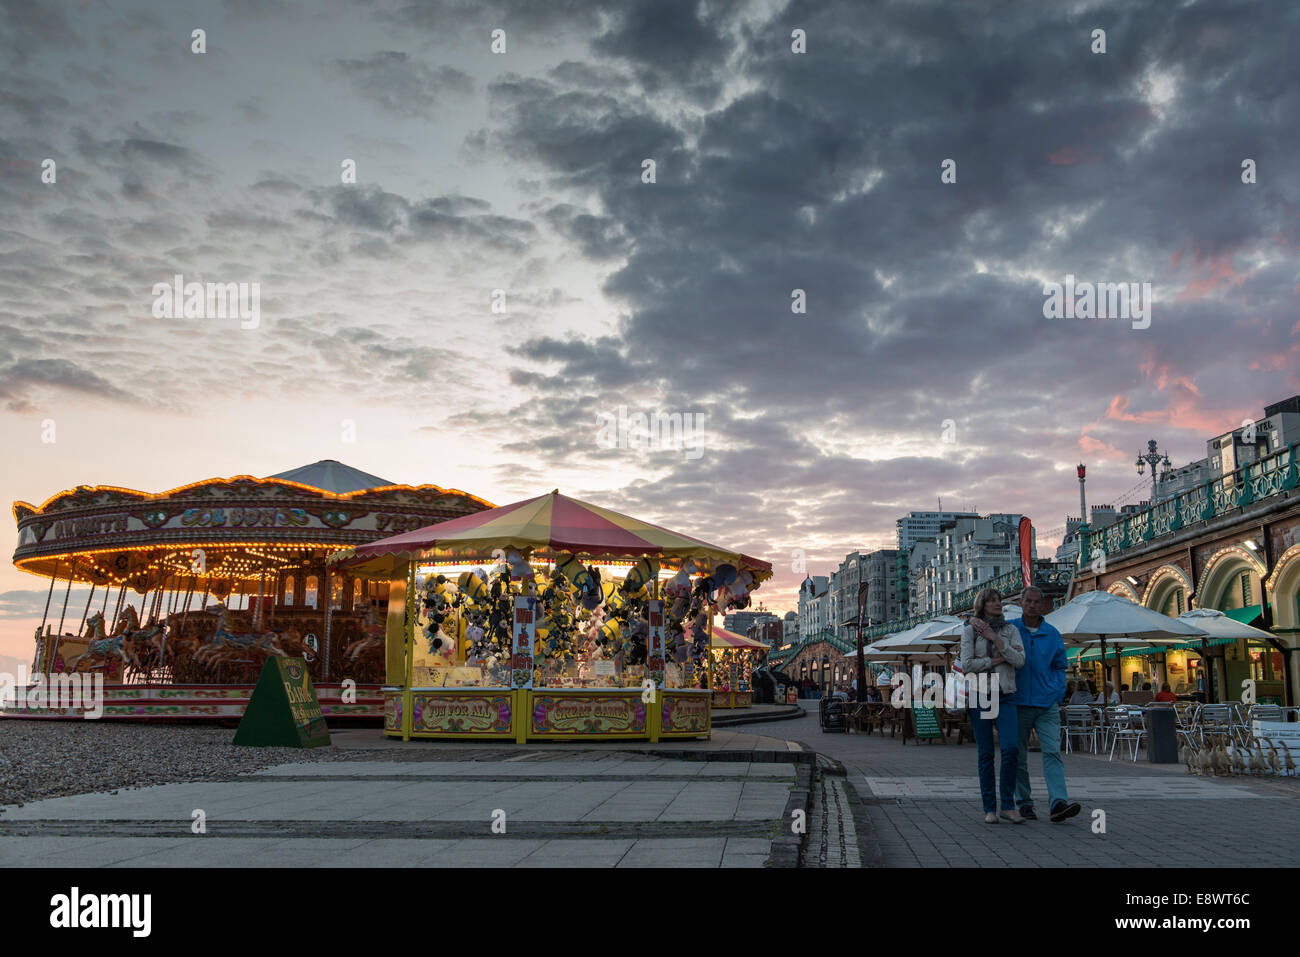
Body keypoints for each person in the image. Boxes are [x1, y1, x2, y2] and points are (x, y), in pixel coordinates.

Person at [1011, 586, 1081, 823]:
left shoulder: (1052, 633)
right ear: (1021, 602)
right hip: (1018, 703)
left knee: (1052, 751)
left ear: (1042, 605)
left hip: (1047, 704)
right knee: (1018, 755)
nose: (1032, 605)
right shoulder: (1011, 630)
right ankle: (1024, 803)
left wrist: (1057, 693)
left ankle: (1058, 802)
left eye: (1036, 602)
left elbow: (1060, 665)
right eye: (1028, 601)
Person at [961, 588, 1026, 824]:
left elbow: (1019, 661)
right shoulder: (969, 632)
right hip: (981, 696)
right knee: (986, 754)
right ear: (982, 605)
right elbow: (967, 664)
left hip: (1006, 694)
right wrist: (999, 658)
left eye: (999, 600)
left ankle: (1008, 805)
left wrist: (995, 639)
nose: (997, 604)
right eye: (991, 601)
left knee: (1010, 748)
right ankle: (990, 808)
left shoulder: (1011, 630)